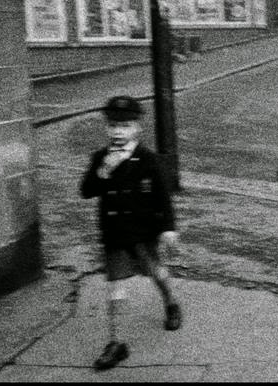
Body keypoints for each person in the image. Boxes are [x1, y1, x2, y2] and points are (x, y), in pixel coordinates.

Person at [80, 95, 181, 371]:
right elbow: (86, 191)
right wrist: (103, 171)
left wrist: (169, 229)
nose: (117, 131)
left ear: (137, 128)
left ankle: (171, 302)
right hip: (114, 233)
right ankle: (117, 343)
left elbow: (163, 197)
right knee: (116, 288)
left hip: (144, 233)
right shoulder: (101, 158)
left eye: (124, 125)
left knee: (157, 273)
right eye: (112, 125)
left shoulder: (149, 160)